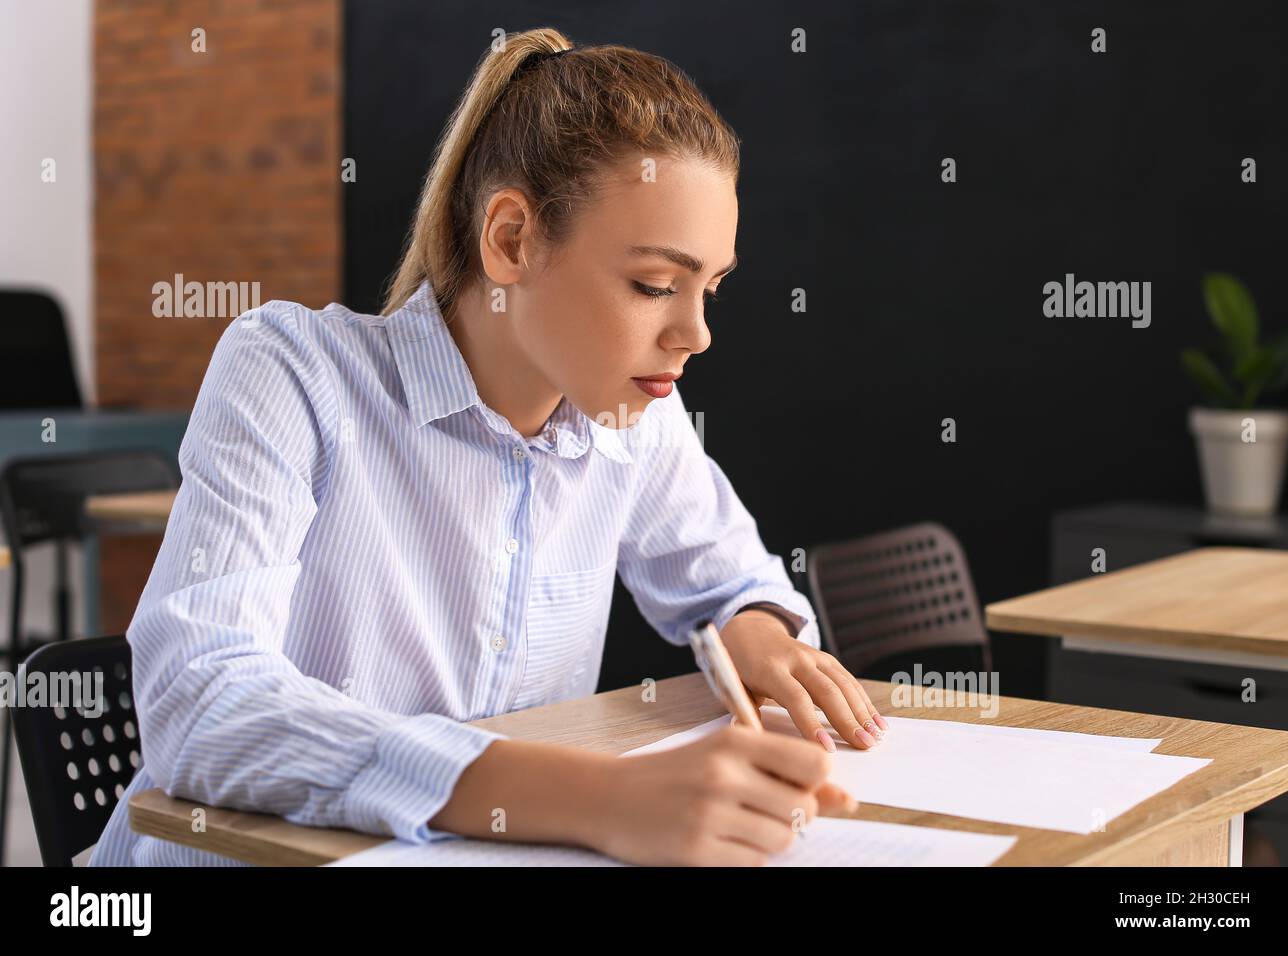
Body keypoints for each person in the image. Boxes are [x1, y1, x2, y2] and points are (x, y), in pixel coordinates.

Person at [91, 27, 888, 868]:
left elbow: (735, 582)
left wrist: (756, 629)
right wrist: (604, 799)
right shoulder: (290, 371)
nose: (695, 332)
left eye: (710, 289)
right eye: (656, 285)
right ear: (510, 240)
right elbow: (202, 706)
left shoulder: (634, 418)